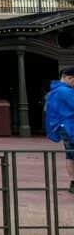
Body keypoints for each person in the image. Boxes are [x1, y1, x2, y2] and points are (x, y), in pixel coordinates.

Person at [43, 65, 74, 195]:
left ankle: (73, 182)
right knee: (71, 154)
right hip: (69, 127)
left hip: (64, 126)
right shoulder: (64, 91)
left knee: (70, 155)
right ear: (69, 78)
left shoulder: (55, 90)